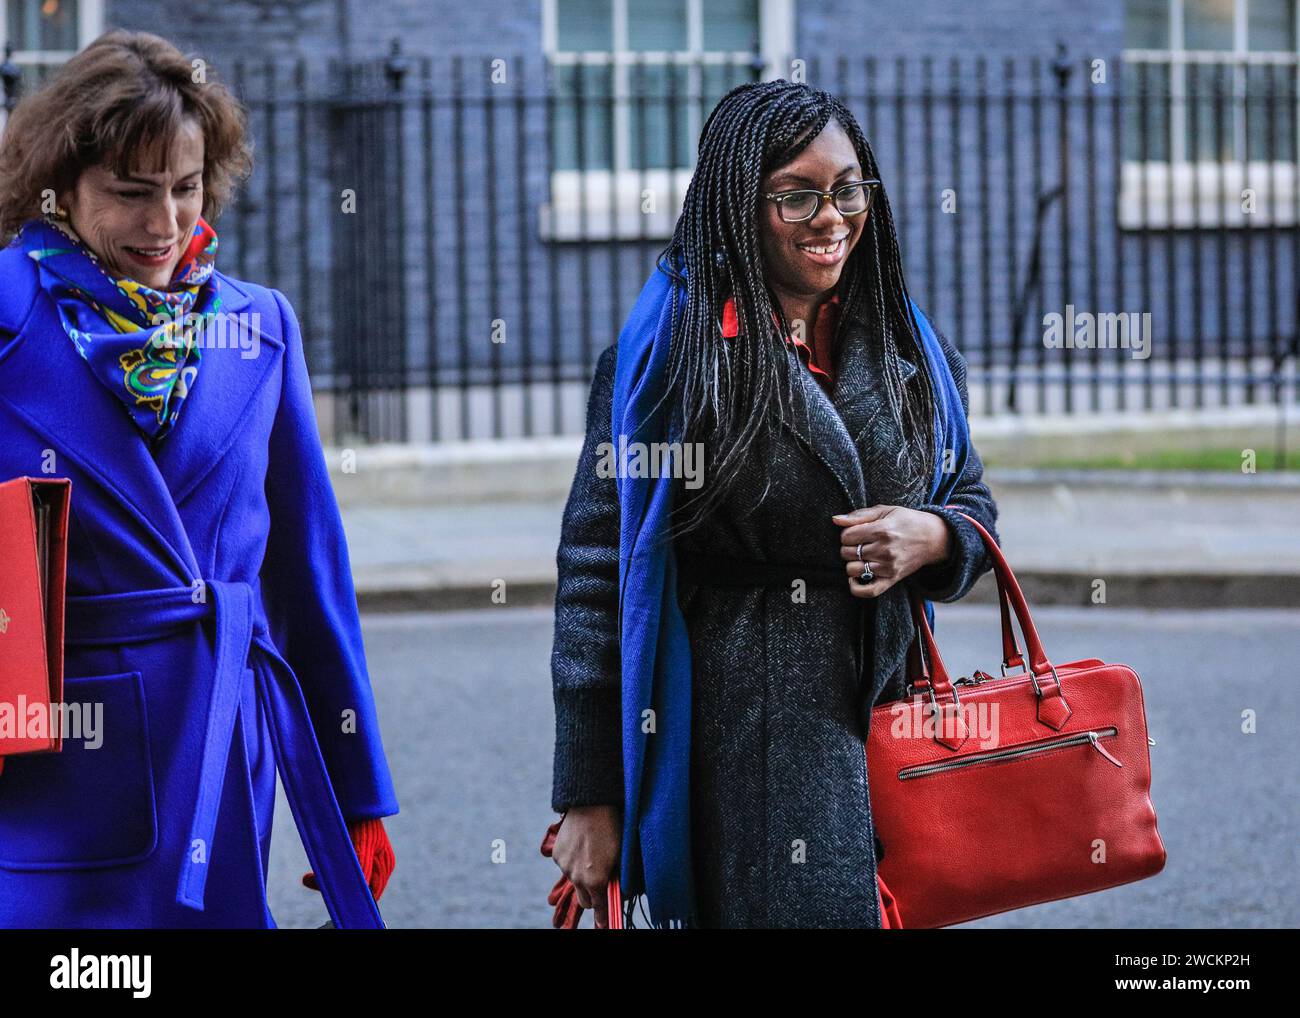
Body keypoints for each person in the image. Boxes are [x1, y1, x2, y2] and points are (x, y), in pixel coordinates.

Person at [546, 80, 998, 928]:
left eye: (848, 189)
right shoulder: (667, 364)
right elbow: (598, 579)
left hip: (888, 720)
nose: (831, 217)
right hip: (740, 741)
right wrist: (591, 793)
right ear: (739, 207)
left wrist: (934, 536)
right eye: (796, 195)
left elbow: (969, 497)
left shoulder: (915, 347)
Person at [0, 29, 397, 928]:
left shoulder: (260, 326)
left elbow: (306, 573)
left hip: (219, 744)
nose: (166, 226)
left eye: (184, 190)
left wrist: (354, 785)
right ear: (59, 188)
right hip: (54, 751)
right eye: (132, 194)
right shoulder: (8, 316)